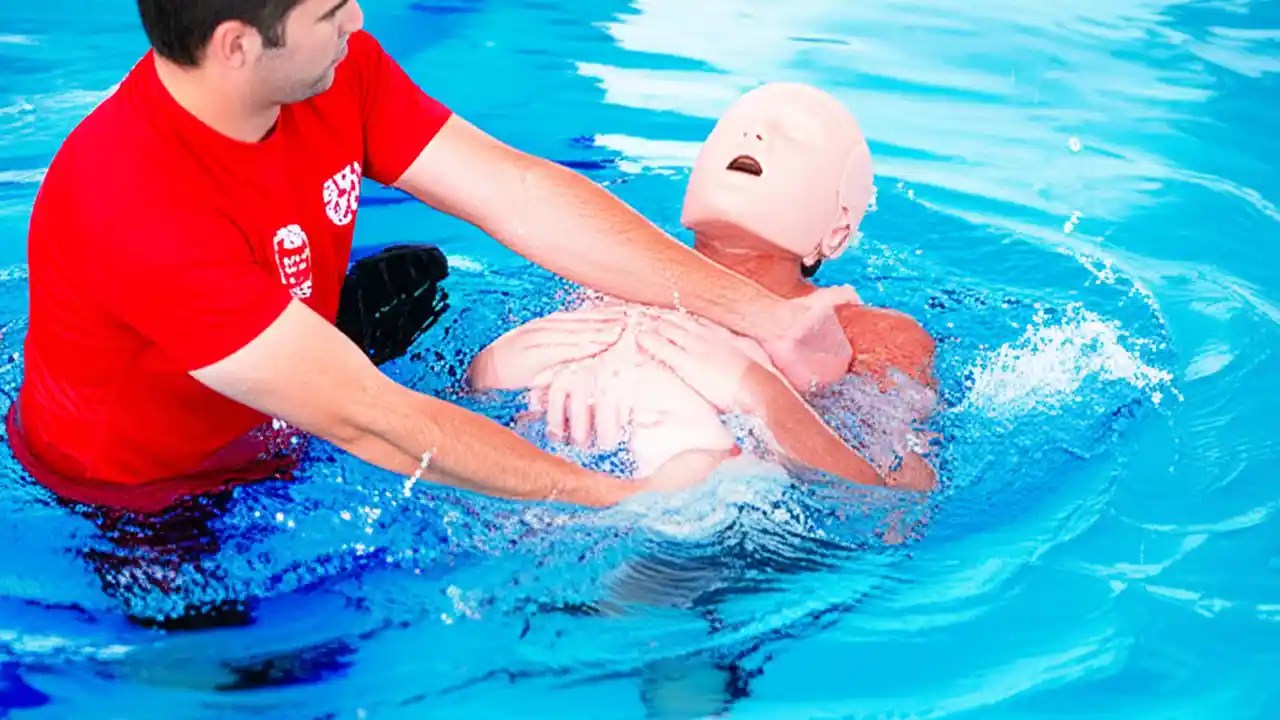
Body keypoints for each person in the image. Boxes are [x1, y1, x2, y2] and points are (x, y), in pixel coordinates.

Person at [8, 0, 863, 517]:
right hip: (144, 506)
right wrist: (630, 503)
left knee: (413, 284)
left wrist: (765, 315)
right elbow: (375, 420)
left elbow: (520, 193)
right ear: (237, 45)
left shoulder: (330, 74)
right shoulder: (131, 205)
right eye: (331, 9)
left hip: (274, 401)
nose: (360, 20)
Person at [468, 82, 938, 492]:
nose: (754, 136)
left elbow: (897, 497)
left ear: (836, 233)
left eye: (793, 138)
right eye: (736, 129)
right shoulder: (607, 278)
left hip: (729, 526)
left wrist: (768, 398)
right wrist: (486, 374)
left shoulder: (869, 335)